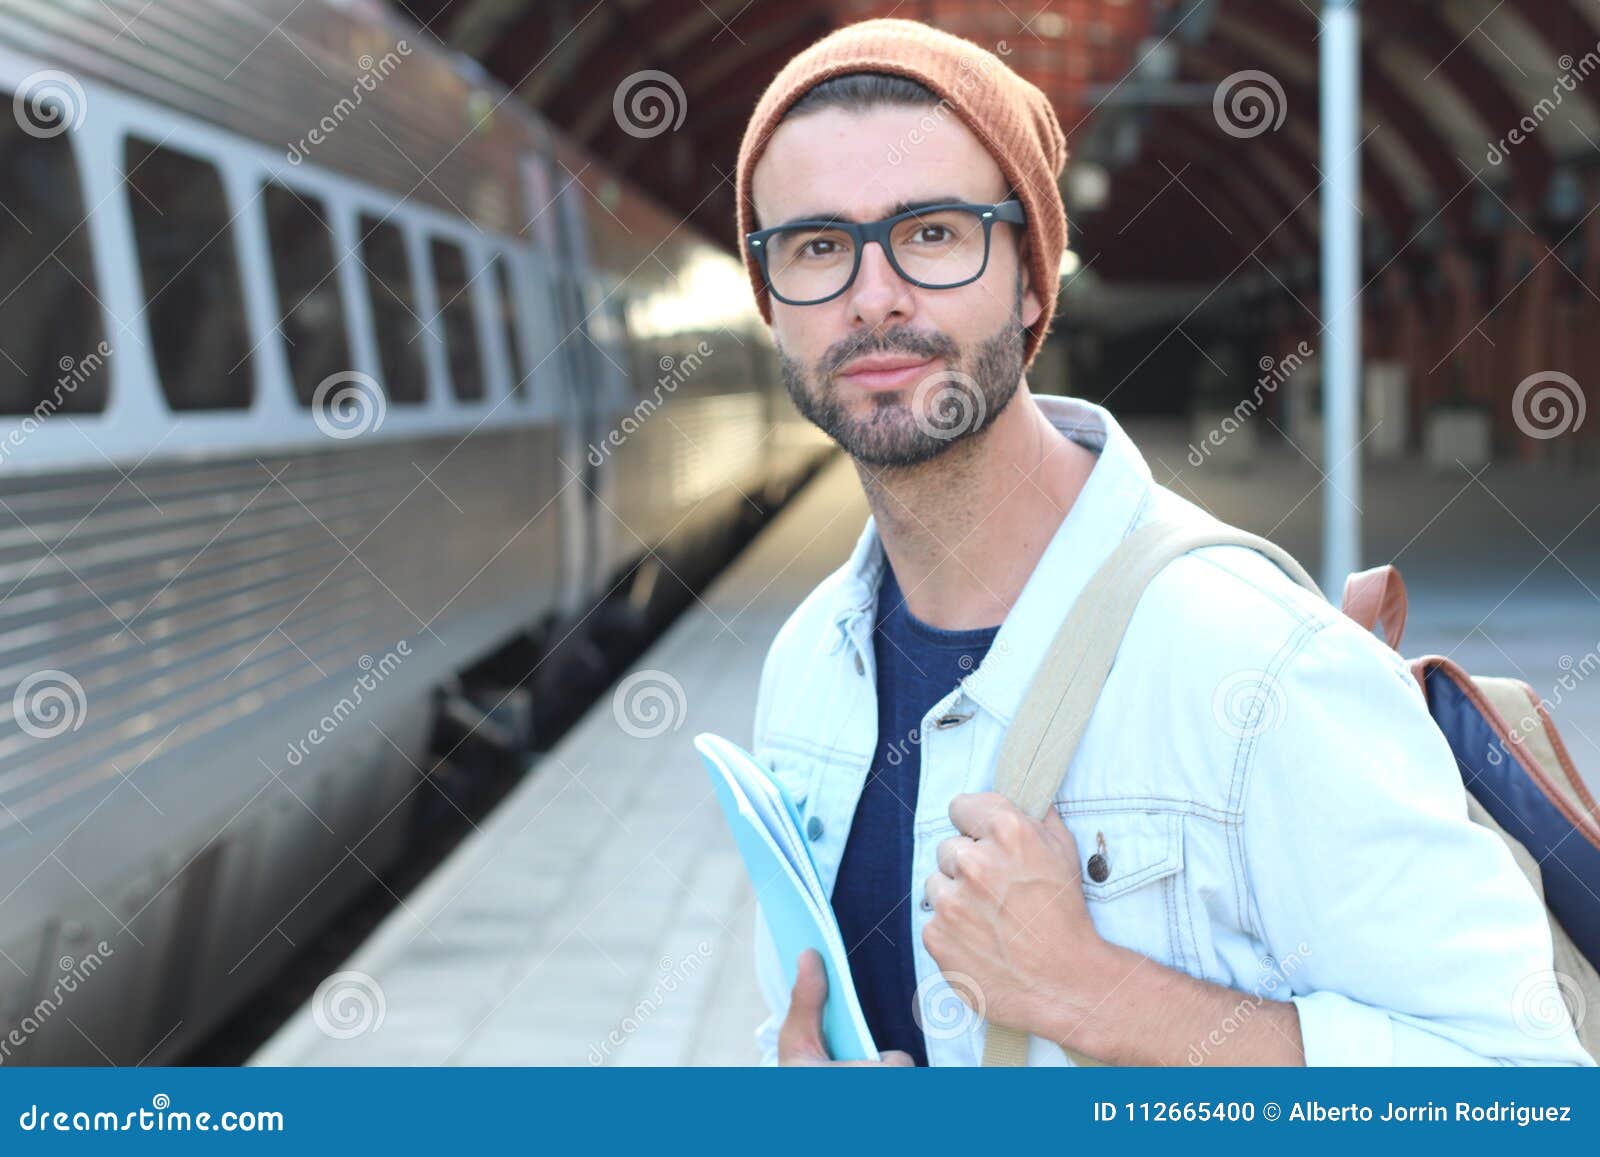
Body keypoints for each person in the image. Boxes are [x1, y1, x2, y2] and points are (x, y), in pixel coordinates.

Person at [735, 16, 1594, 1067]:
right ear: (770, 300)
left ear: (1032, 277)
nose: (873, 295)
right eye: (817, 245)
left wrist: (1097, 994)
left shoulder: (1259, 663)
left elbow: (1526, 1094)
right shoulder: (804, 670)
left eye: (931, 232)